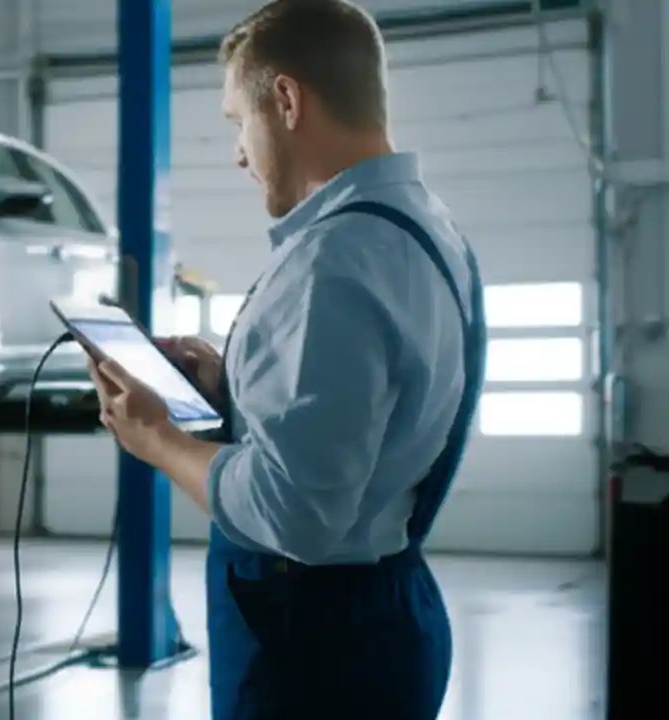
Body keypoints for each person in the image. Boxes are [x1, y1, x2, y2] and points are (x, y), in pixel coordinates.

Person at [85, 1, 488, 718]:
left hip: (313, 647)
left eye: (239, 121)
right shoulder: (427, 227)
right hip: (383, 616)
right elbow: (369, 411)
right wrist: (230, 387)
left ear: (287, 100)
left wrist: (159, 439)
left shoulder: (332, 264)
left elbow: (295, 513)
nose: (240, 151)